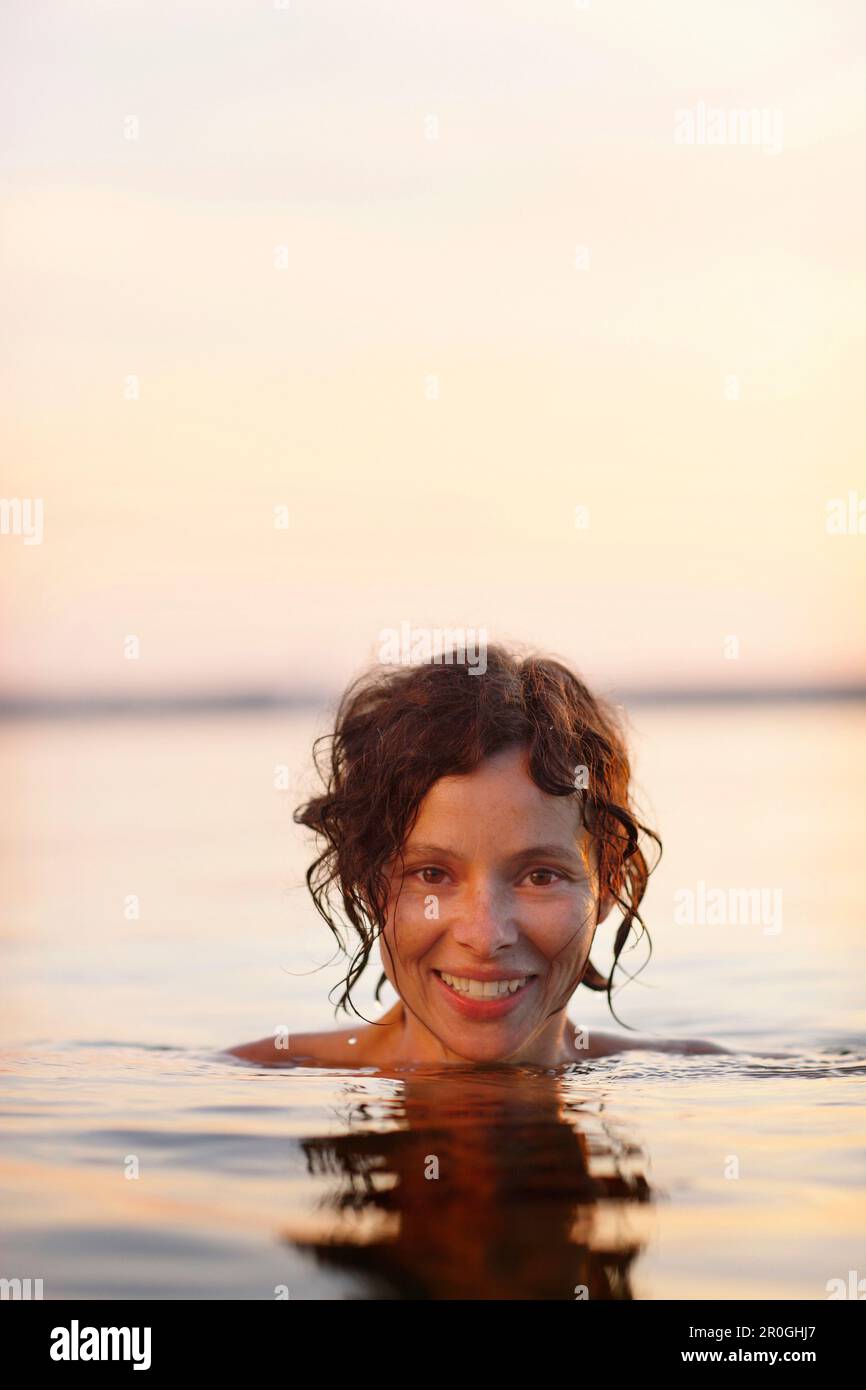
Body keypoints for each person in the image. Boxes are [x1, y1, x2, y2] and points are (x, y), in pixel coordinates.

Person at [228, 645, 729, 1067]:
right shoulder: (257, 1082)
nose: (485, 937)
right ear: (366, 882)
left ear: (609, 884)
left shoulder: (708, 1081)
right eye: (431, 873)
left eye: (539, 876)